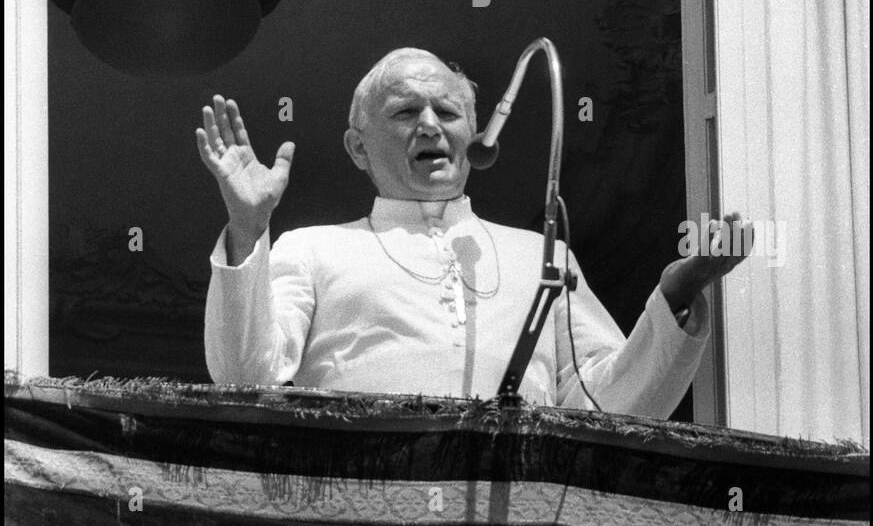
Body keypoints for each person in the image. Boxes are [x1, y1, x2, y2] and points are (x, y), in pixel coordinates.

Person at [199, 47, 752, 413]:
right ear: (358, 147)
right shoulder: (314, 247)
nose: (429, 124)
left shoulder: (541, 254)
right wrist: (247, 228)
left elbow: (610, 406)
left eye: (447, 110)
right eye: (404, 111)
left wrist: (676, 296)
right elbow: (245, 378)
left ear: (476, 135)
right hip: (366, 513)